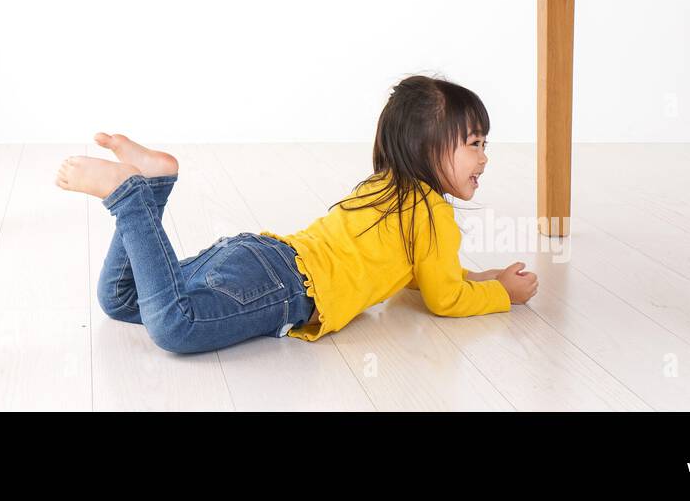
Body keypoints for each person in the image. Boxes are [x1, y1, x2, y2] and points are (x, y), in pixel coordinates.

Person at [54, 73, 538, 354]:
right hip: (284, 287)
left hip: (262, 254)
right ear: (428, 148)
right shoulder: (432, 215)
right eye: (474, 144)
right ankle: (132, 198)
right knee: (175, 327)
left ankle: (154, 183)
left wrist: (484, 275)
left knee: (121, 301)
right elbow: (443, 299)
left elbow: (422, 274)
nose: (484, 157)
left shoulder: (387, 188)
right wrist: (501, 294)